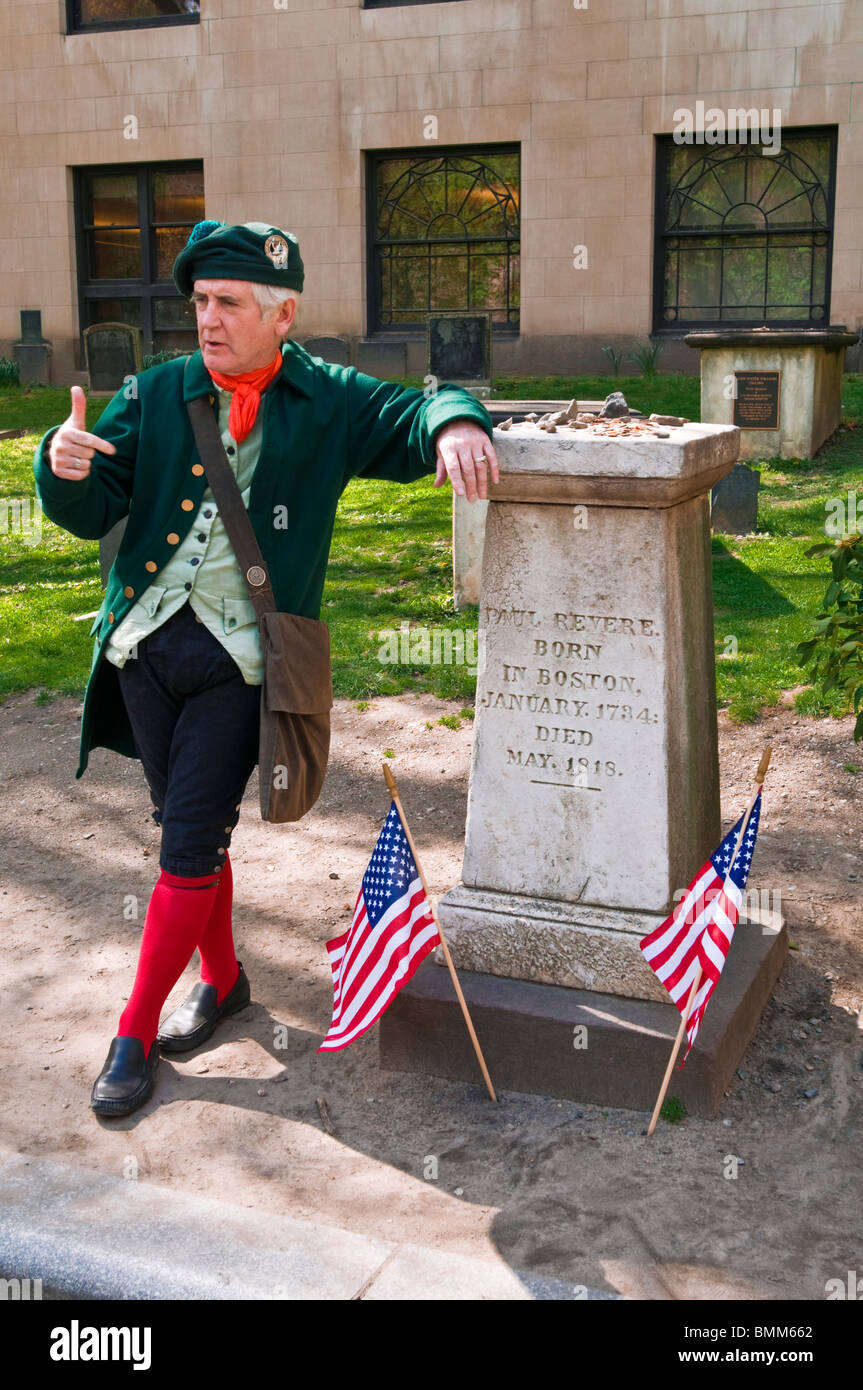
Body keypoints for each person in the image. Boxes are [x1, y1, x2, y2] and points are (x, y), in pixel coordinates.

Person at [32, 219, 499, 1118]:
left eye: (229, 303)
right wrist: (63, 468)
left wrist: (455, 425)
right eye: (200, 302)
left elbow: (416, 411)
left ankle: (132, 1032)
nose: (208, 319)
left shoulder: (327, 400)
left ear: (282, 315)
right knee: (186, 830)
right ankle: (227, 979)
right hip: (143, 646)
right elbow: (94, 507)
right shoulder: (159, 390)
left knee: (186, 845)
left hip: (242, 664)